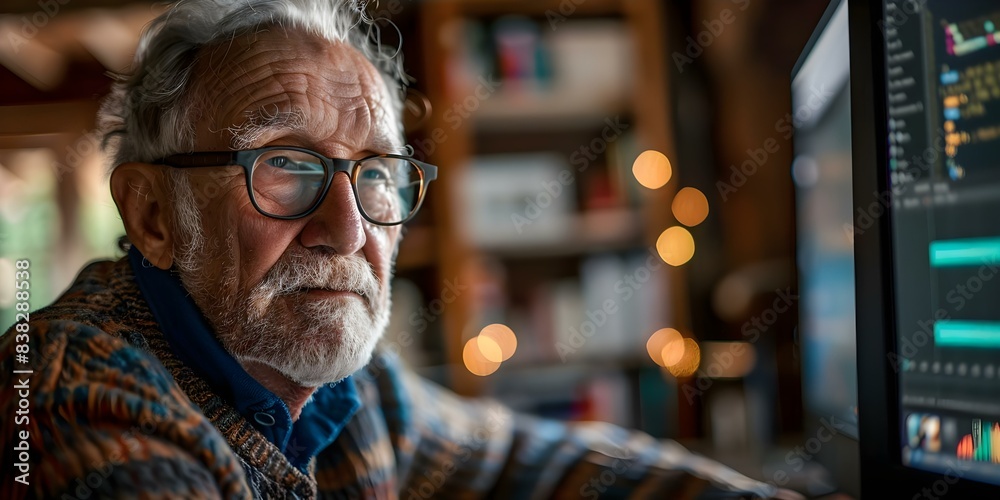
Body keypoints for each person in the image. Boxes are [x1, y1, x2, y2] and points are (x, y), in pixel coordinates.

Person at [0, 0, 801, 498]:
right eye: (285, 165)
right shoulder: (74, 401)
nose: (348, 230)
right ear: (153, 217)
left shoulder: (347, 387)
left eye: (377, 175)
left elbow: (526, 460)